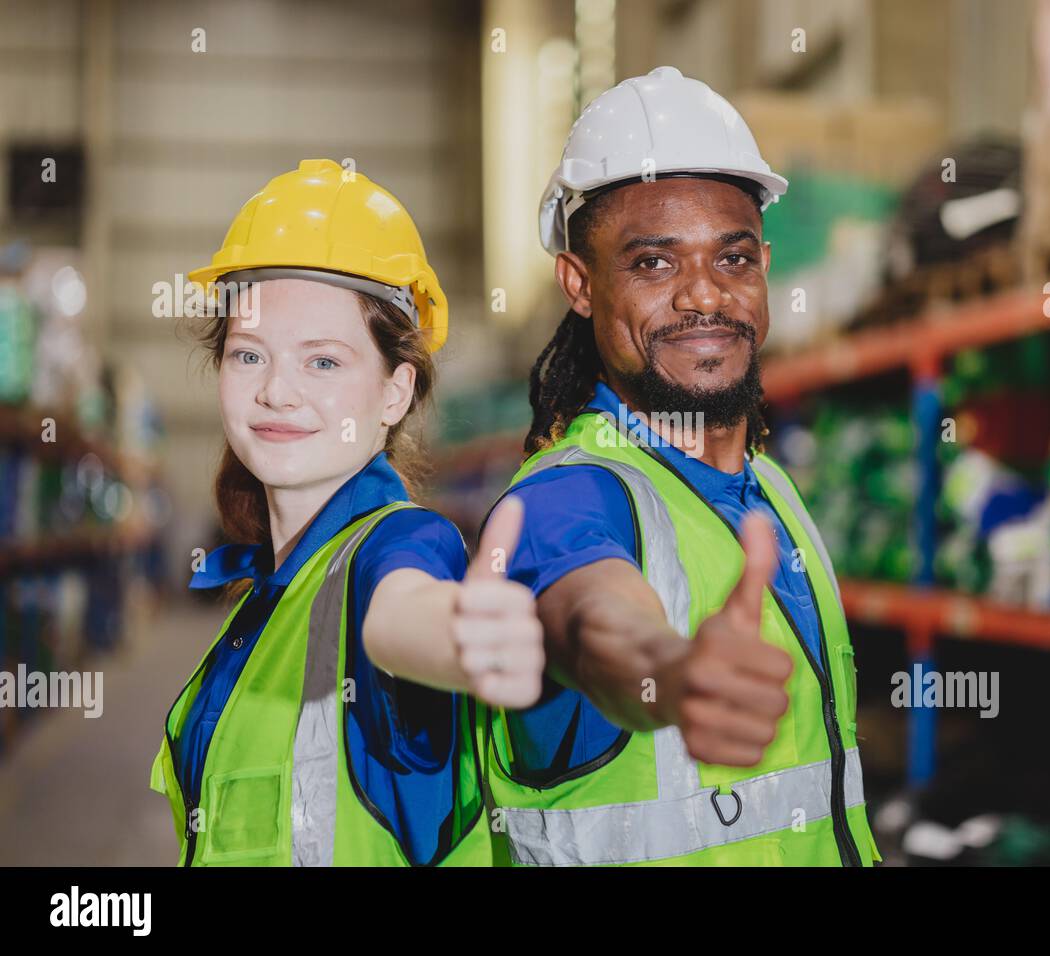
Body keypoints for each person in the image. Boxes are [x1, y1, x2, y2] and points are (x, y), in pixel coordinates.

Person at [481, 67, 884, 866]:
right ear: (580, 284)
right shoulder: (565, 498)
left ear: (765, 267)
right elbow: (595, 622)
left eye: (732, 259)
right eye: (654, 265)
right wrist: (674, 672)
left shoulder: (770, 488)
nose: (705, 296)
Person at [149, 159, 543, 866]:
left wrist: (463, 638)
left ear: (395, 393)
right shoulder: (272, 596)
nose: (276, 392)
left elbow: (400, 611)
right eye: (248, 356)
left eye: (322, 363)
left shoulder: (398, 545)